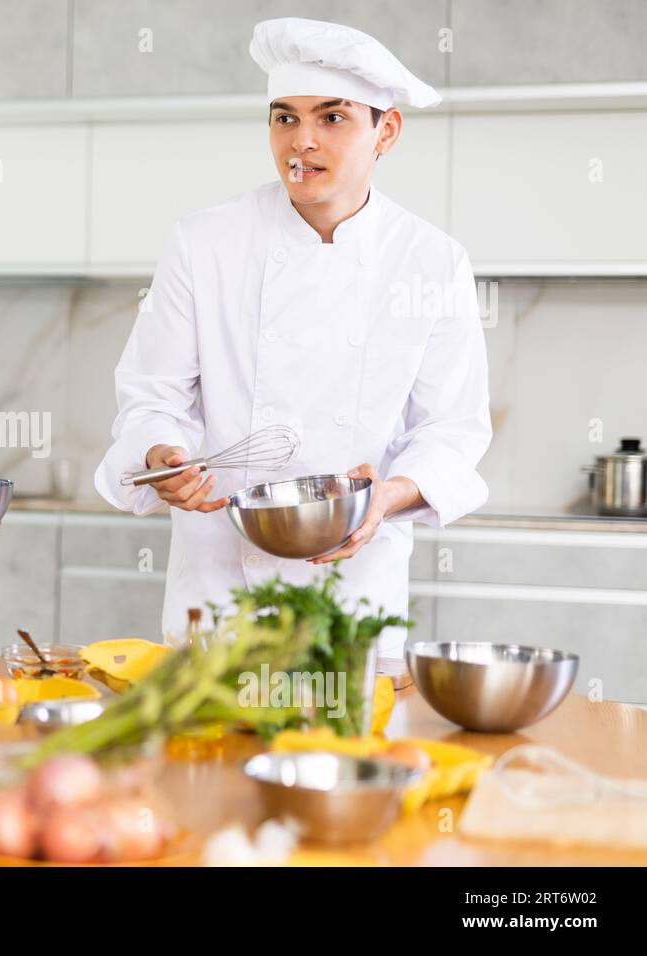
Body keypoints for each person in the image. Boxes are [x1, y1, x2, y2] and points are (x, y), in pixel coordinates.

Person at [95, 18, 491, 656]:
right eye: (284, 118)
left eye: (332, 118)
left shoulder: (432, 262)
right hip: (219, 594)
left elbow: (453, 430)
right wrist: (161, 454)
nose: (301, 143)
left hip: (354, 594)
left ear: (385, 131)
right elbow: (150, 395)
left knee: (338, 748)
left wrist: (387, 495)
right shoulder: (205, 243)